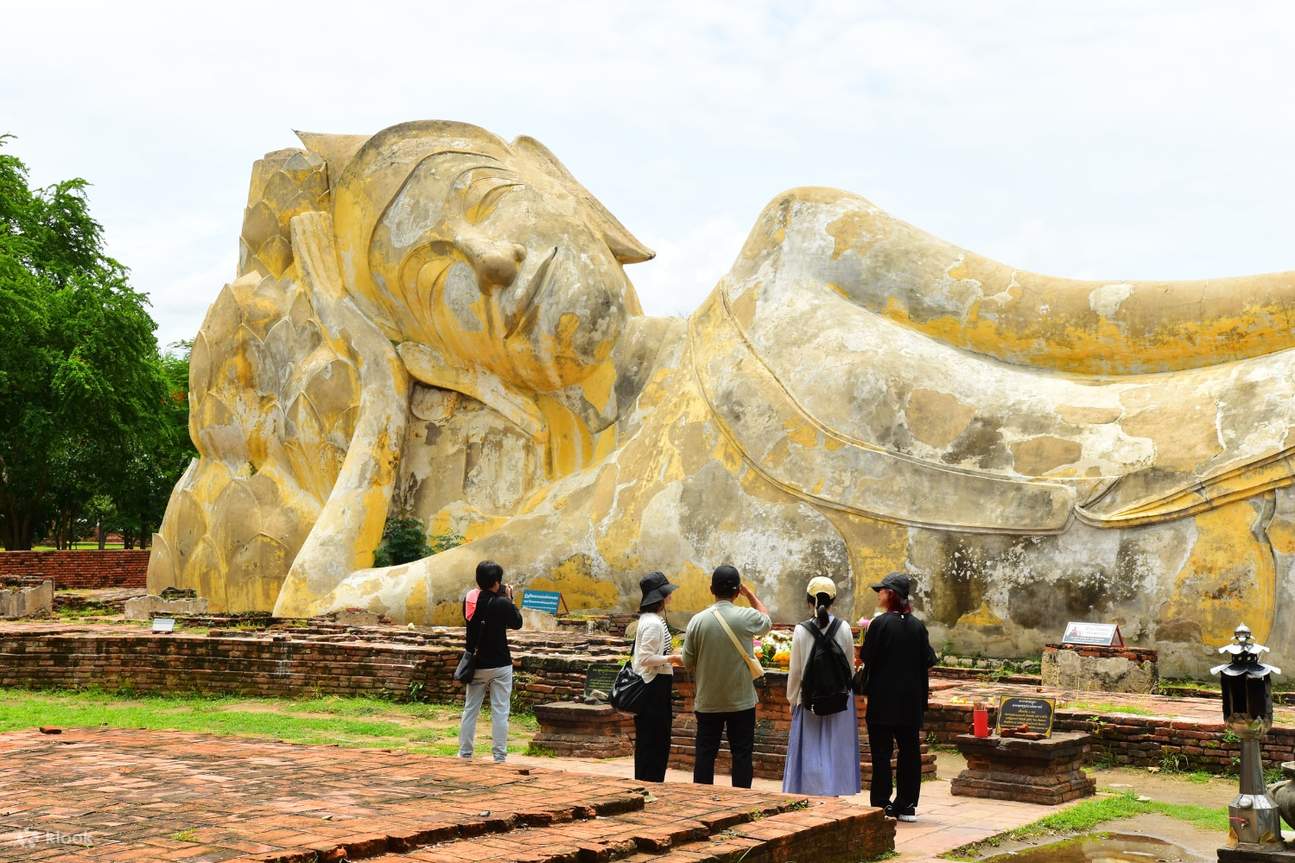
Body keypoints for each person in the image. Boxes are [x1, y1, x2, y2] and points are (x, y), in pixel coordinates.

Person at [682, 564, 772, 788]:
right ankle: (742, 800)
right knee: (741, 754)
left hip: (708, 700)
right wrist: (750, 594)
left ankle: (701, 799)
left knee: (705, 754)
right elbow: (766, 620)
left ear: (711, 589)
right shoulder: (746, 617)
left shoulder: (697, 621)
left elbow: (687, 662)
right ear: (736, 591)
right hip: (741, 701)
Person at [858, 572, 936, 822]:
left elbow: (867, 657)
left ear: (890, 594)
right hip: (910, 702)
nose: (879, 594)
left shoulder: (880, 624)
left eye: (881, 590)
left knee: (882, 753)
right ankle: (907, 805)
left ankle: (882, 804)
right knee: (909, 752)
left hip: (882, 701)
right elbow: (928, 661)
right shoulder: (917, 625)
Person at [782, 576, 861, 796]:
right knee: (835, 748)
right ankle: (832, 790)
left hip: (809, 699)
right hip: (838, 698)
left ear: (809, 600)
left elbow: (796, 671)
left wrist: (793, 699)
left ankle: (811, 791)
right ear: (833, 600)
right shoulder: (844, 628)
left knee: (809, 749)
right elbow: (849, 668)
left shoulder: (801, 630)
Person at [458, 560, 523, 763]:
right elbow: (517, 623)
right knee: (500, 710)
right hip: (500, 663)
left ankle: (465, 753)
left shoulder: (470, 600)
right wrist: (509, 599)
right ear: (496, 582)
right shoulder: (503, 603)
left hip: (476, 663)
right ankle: (499, 755)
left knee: (471, 709)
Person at [631, 571, 685, 781]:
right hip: (653, 686)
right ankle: (651, 780)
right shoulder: (653, 623)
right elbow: (645, 658)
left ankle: (647, 779)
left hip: (653, 685)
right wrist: (671, 658)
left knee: (649, 740)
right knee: (656, 740)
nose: (669, 597)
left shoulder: (648, 619)